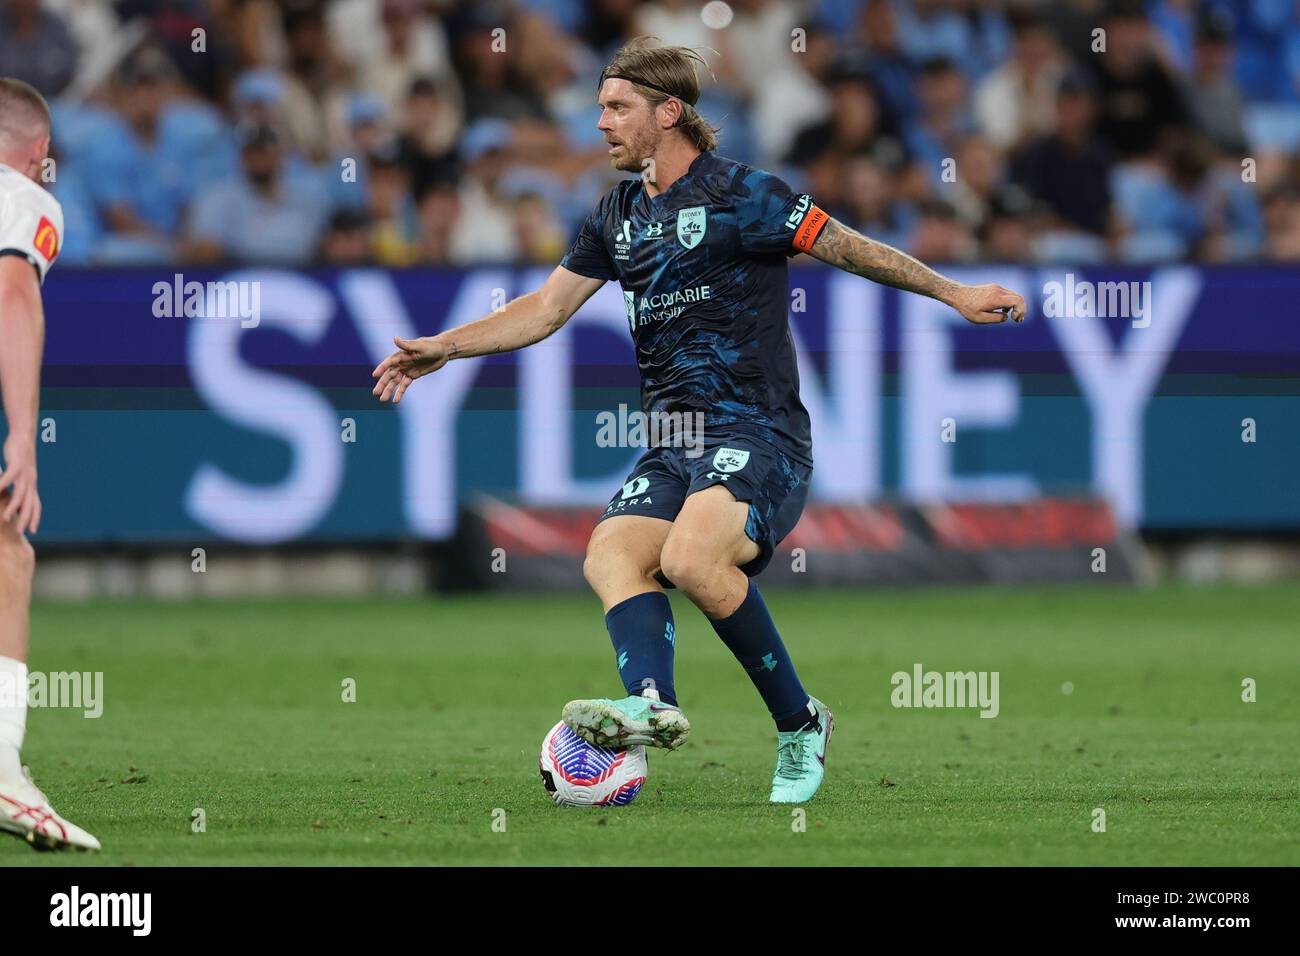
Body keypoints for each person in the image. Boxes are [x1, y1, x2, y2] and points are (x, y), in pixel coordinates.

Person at [370, 39, 1026, 803]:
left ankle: (800, 722)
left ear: (668, 112)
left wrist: (954, 294)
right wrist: (446, 347)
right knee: (611, 552)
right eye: (601, 107)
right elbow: (545, 309)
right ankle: (650, 702)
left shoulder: (745, 195)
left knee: (689, 559)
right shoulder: (616, 214)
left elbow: (849, 248)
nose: (602, 122)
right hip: (674, 444)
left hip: (760, 436)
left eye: (617, 108)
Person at [0, 77, 100, 851]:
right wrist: (23, 439)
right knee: (8, 548)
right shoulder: (24, 198)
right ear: (39, 156)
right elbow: (12, 294)